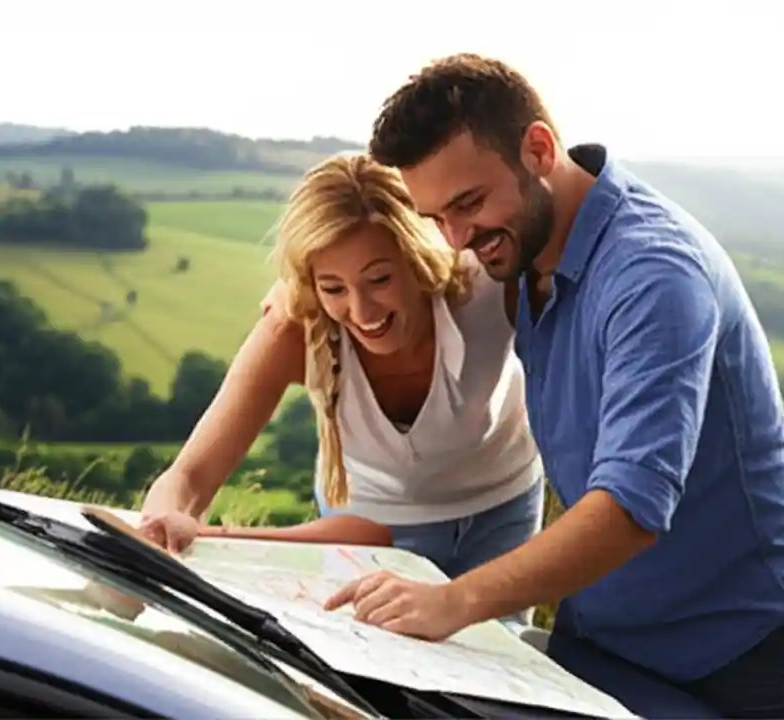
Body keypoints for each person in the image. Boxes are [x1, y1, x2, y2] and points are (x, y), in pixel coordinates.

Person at [322, 54, 784, 719]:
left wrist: (455, 600)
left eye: (469, 203)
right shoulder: (521, 252)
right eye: (437, 217)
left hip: (728, 651)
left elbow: (632, 505)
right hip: (596, 630)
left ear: (538, 148)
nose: (459, 240)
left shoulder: (652, 275)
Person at [137, 152, 545, 625]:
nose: (363, 311)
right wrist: (163, 525)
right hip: (368, 528)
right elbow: (188, 477)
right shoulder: (293, 331)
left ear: (416, 257)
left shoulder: (488, 288)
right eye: (334, 288)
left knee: (498, 666)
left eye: (380, 279)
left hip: (501, 513)